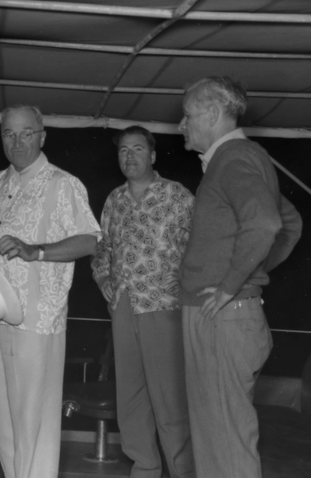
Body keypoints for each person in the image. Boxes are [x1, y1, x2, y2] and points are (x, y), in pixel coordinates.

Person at [0, 104, 101, 478]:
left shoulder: (63, 184)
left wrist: (35, 251)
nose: (17, 141)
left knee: (33, 421)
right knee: (4, 419)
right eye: (9, 134)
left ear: (43, 136)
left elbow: (89, 241)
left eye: (26, 133)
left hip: (37, 320)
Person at [177, 76, 302, 478]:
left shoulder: (233, 157)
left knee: (224, 451)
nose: (182, 125)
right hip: (229, 319)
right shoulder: (243, 158)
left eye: (188, 115)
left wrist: (234, 283)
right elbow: (290, 222)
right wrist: (249, 274)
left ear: (213, 114)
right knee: (219, 447)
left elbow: (267, 224)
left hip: (221, 320)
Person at [91, 125, 195, 478]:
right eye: (123, 150)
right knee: (131, 398)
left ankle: (182, 470)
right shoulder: (114, 200)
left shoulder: (177, 196)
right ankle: (145, 467)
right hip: (123, 306)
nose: (129, 156)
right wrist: (103, 276)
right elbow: (102, 248)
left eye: (137, 149)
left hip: (163, 306)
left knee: (169, 398)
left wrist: (185, 284)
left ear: (152, 155)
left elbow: (200, 247)